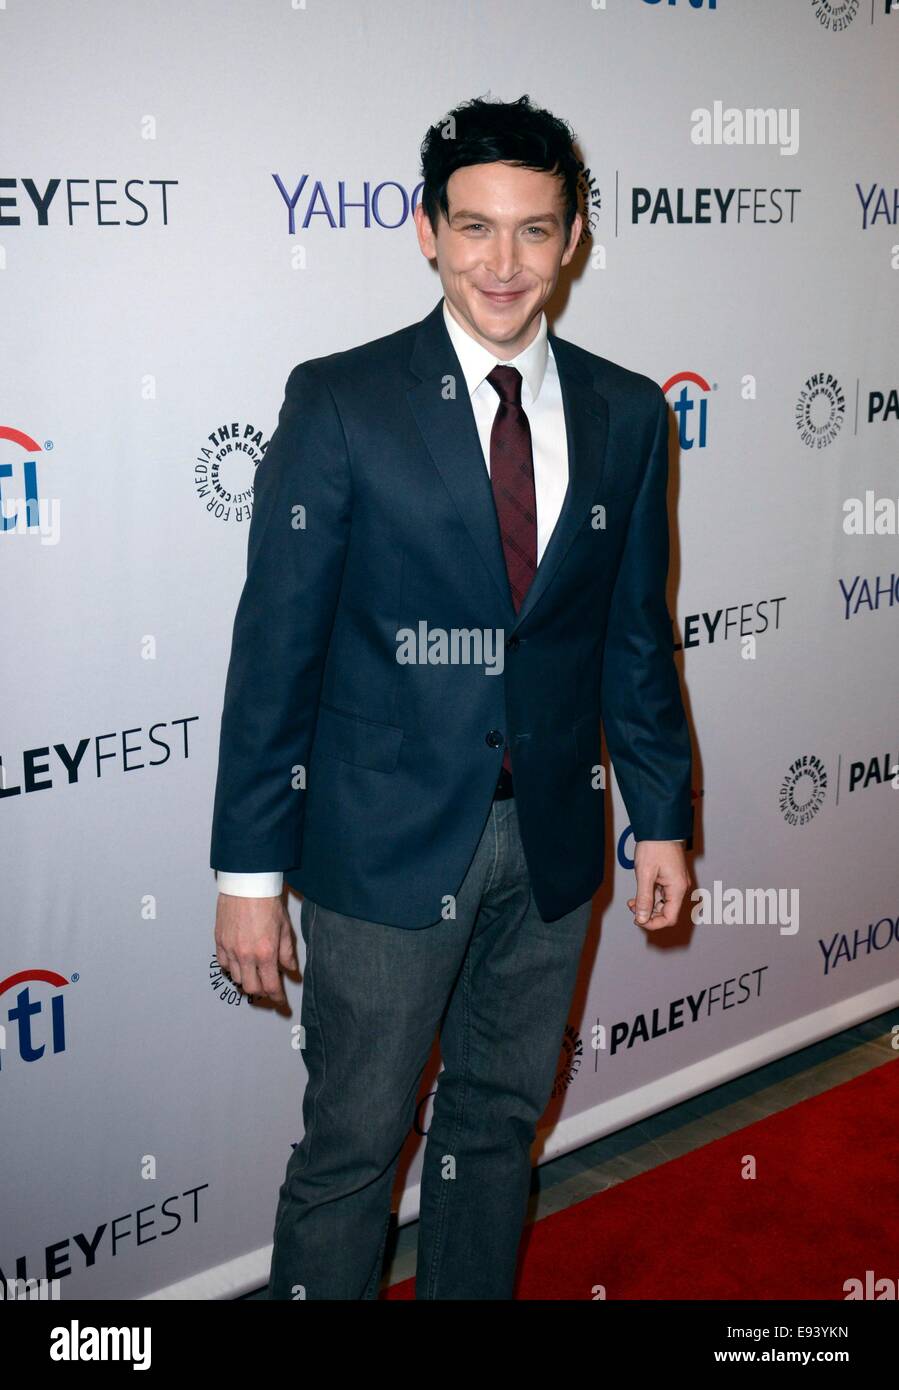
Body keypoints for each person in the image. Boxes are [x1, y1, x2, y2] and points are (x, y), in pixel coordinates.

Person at [210, 94, 694, 1301]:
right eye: (473, 227)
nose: (502, 263)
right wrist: (248, 876)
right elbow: (275, 652)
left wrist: (661, 814)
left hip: (548, 840)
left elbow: (630, 637)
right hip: (375, 848)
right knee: (353, 1148)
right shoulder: (340, 400)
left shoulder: (629, 413)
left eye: (533, 231)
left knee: (494, 1128)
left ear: (574, 236)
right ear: (425, 230)